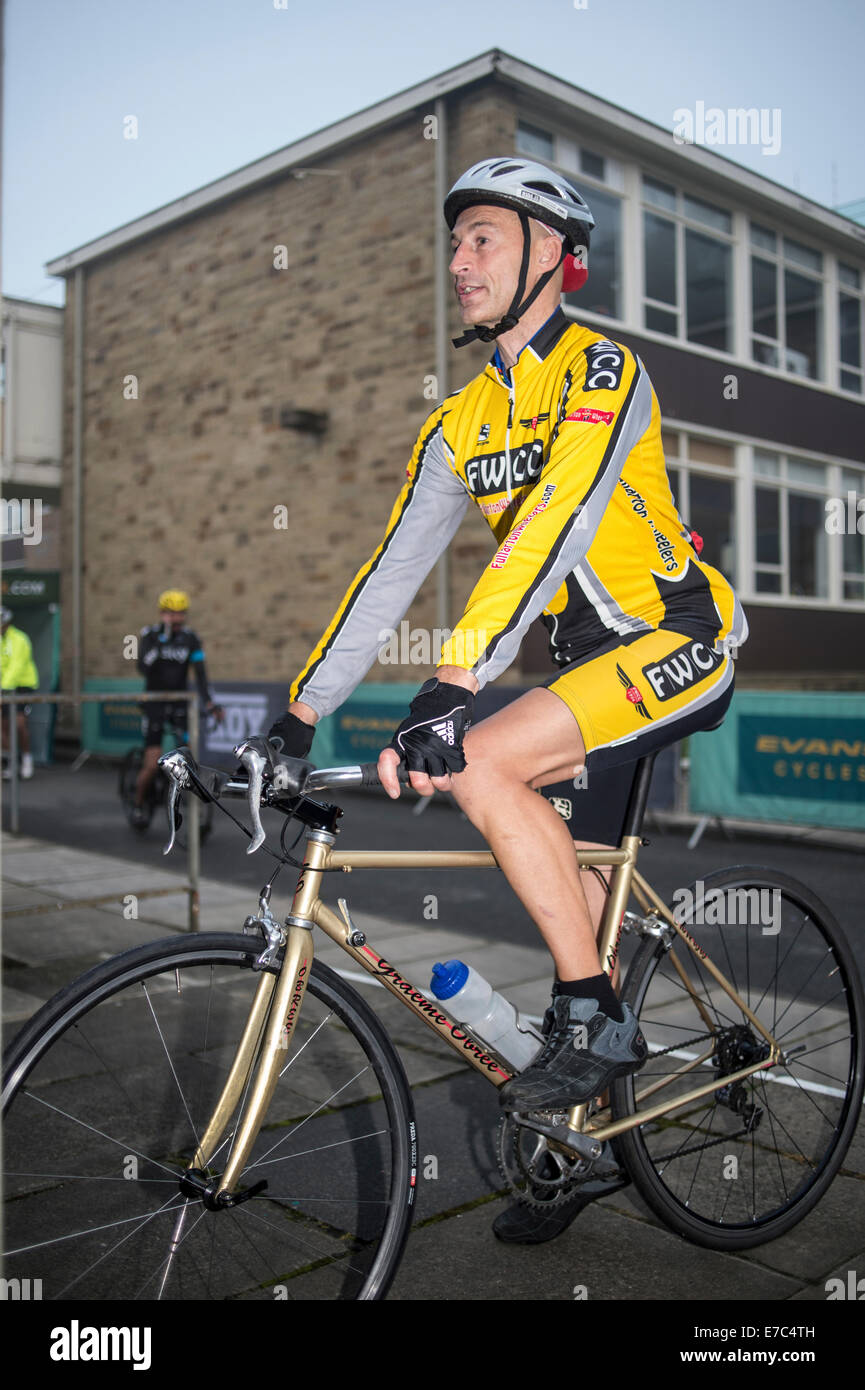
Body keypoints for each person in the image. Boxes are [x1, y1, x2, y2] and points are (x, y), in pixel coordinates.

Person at [265, 156, 748, 1240]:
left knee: (481, 760)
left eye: (484, 236)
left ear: (552, 254)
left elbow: (557, 521)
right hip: (582, 670)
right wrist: (299, 710)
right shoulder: (460, 424)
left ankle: (596, 1021)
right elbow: (389, 570)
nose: (459, 260)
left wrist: (452, 683)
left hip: (675, 638)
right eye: (454, 241)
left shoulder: (604, 372)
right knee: (564, 886)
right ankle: (582, 1144)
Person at [132, 590, 223, 826]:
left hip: (180, 705)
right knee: (151, 764)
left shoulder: (191, 638)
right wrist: (161, 642)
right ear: (162, 614)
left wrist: (210, 703)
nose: (177, 618)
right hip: (154, 704)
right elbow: (142, 667)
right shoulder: (149, 635)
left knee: (188, 759)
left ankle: (195, 813)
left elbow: (201, 674)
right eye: (172, 614)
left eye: (180, 614)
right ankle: (139, 803)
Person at [1, 605, 39, 779]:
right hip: (4, 686)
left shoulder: (19, 639)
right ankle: (10, 763)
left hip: (22, 685)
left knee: (19, 724)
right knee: (3, 726)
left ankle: (27, 759)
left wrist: (3, 689)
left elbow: (16, 667)